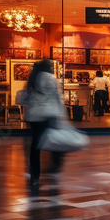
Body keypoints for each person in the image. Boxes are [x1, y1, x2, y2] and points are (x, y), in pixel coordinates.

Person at [22, 59, 66, 190]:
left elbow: (25, 97)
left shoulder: (32, 78)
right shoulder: (51, 78)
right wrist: (62, 115)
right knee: (54, 142)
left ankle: (35, 176)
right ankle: (54, 167)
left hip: (33, 116)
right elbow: (57, 97)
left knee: (35, 147)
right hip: (48, 114)